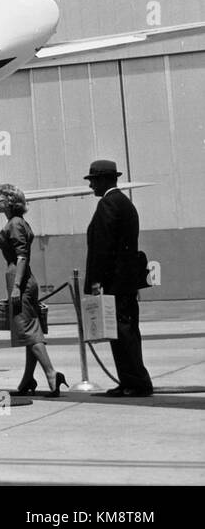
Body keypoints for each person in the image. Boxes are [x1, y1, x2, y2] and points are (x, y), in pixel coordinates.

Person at [83, 159, 153, 397]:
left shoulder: (108, 204)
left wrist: (95, 281)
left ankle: (135, 382)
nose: (91, 185)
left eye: (93, 181)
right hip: (125, 282)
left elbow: (102, 248)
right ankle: (130, 380)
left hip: (115, 283)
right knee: (127, 330)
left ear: (104, 180)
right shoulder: (124, 203)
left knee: (122, 332)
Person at [0, 184, 63, 396]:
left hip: (20, 279)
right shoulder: (17, 222)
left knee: (28, 330)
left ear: (10, 202)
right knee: (31, 330)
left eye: (0, 198)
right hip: (23, 278)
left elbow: (22, 255)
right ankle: (27, 379)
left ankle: (52, 374)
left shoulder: (14, 224)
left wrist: (16, 286)